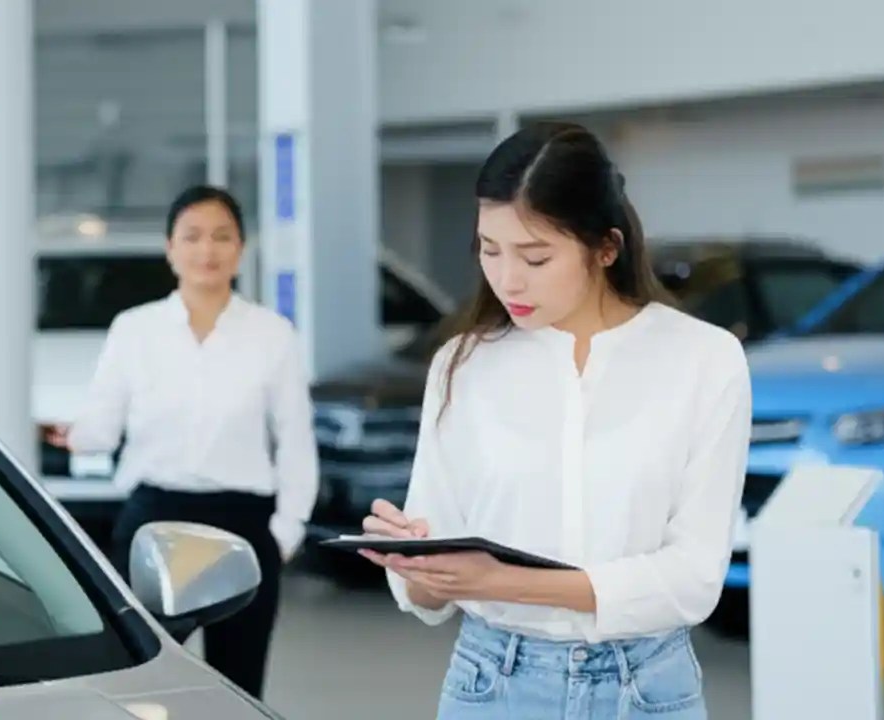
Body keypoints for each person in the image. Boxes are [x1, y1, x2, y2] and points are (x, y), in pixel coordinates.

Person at [359, 122, 751, 719]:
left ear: (606, 248)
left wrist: (494, 581)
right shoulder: (463, 365)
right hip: (491, 685)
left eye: (535, 256)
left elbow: (692, 578)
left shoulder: (703, 358)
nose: (507, 279)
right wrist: (416, 563)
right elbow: (424, 594)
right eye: (489, 250)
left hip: (646, 690)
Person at [63, 185, 319, 700]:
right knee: (142, 684)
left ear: (241, 249)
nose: (208, 250)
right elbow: (102, 428)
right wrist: (73, 435)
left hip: (243, 523)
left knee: (238, 685)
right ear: (170, 248)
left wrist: (285, 532)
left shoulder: (273, 333)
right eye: (193, 236)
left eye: (222, 237)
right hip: (155, 520)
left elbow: (294, 438)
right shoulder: (135, 330)